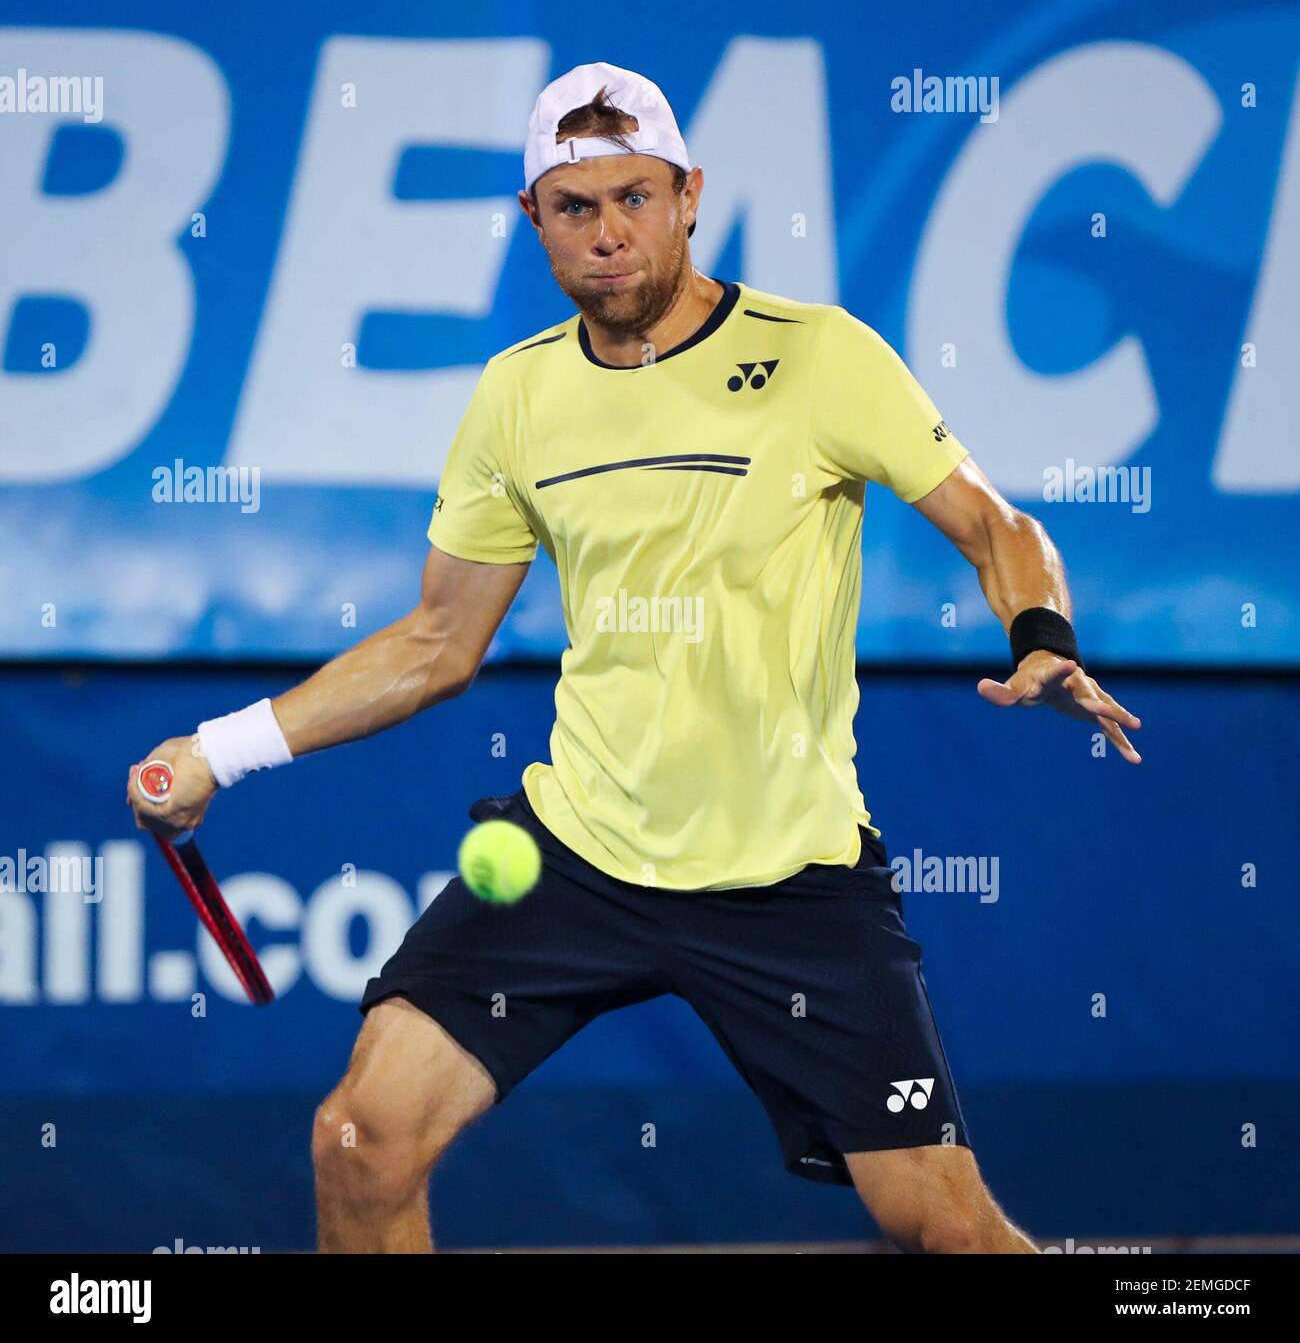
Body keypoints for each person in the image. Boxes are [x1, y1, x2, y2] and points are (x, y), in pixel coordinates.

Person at [127, 61, 1141, 1253]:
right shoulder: (516, 397)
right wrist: (217, 750)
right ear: (532, 220)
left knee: (945, 1227)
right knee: (362, 1140)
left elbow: (995, 526)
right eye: (575, 206)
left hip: (789, 878)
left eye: (635, 199)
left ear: (689, 195)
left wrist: (1043, 637)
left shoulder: (819, 356)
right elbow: (439, 642)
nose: (609, 235)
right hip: (581, 855)